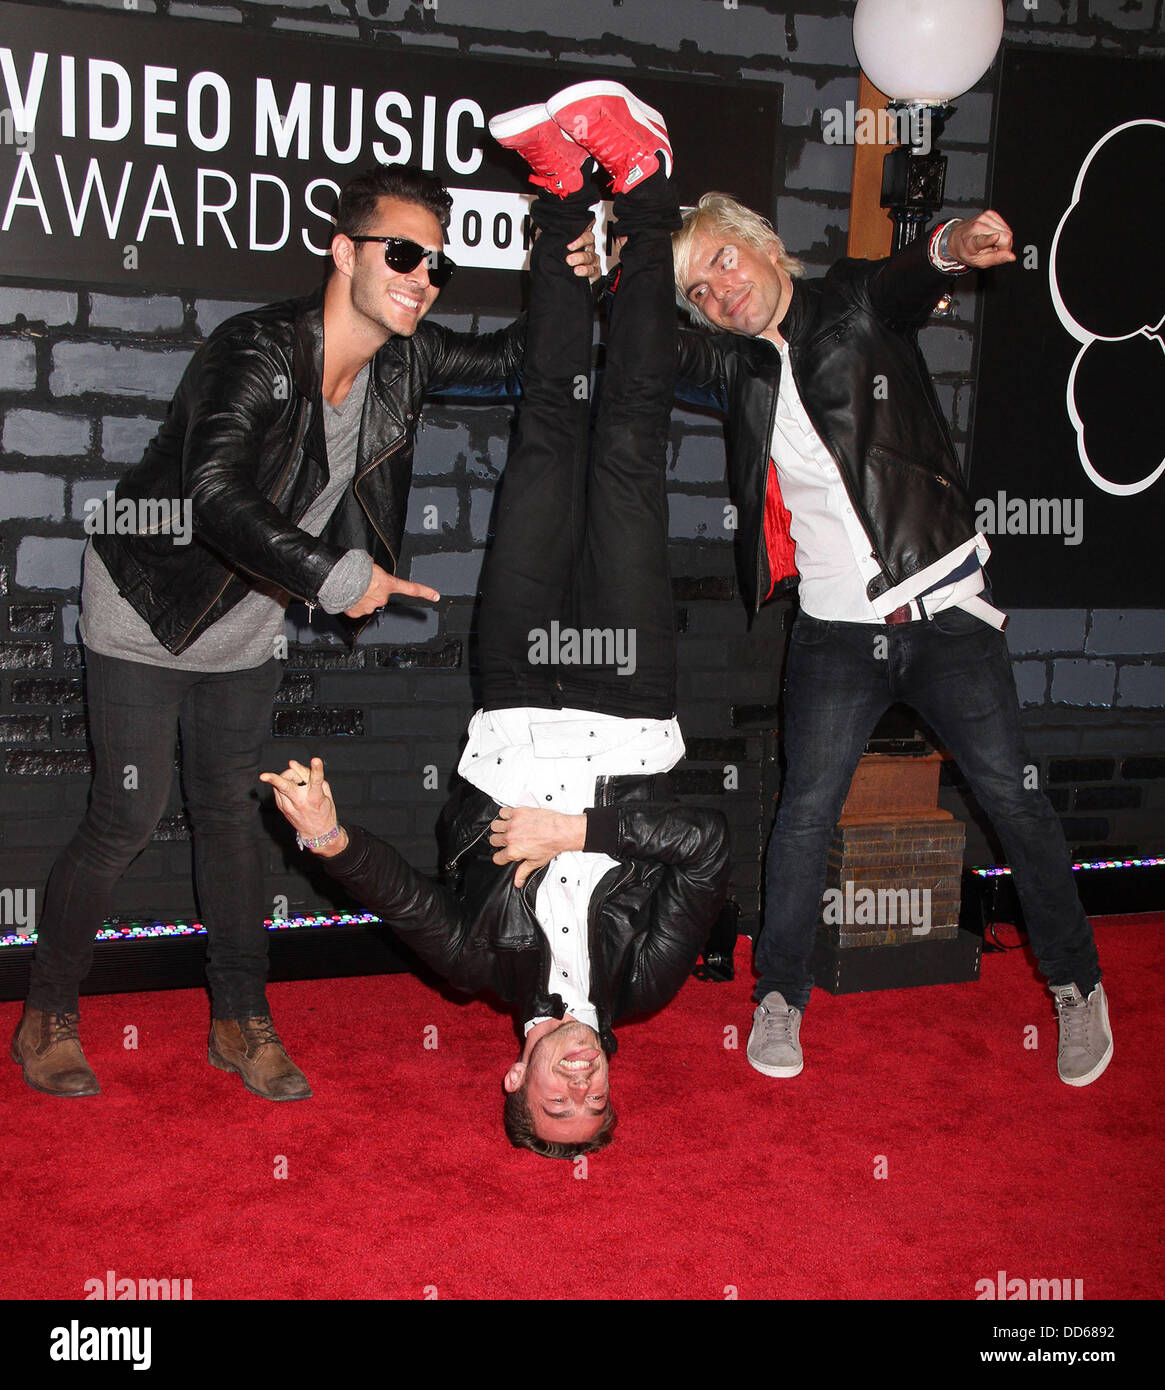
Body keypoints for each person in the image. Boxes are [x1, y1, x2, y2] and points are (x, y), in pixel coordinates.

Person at [12, 163, 598, 1104]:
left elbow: (525, 362)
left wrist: (573, 274)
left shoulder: (404, 358)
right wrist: (335, 575)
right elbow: (212, 495)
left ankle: (240, 1020)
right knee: (125, 813)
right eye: (401, 254)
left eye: (435, 264)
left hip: (247, 615)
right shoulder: (254, 351)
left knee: (231, 820)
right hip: (148, 598)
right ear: (342, 252)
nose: (420, 277)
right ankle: (47, 1012)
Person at [263, 82, 729, 1156]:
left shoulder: (484, 961)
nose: (579, 1081)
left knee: (545, 437)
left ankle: (565, 196)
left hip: (515, 693)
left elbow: (399, 896)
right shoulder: (647, 984)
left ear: (512, 1073)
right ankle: (647, 188)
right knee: (625, 445)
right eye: (596, 1102)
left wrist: (327, 837)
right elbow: (704, 847)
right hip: (625, 699)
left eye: (552, 1101)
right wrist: (582, 832)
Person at [670, 194, 1111, 1088]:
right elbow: (644, 349)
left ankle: (1076, 985)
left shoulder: (848, 302)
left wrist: (954, 242)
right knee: (802, 817)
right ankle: (780, 997)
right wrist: (616, 274)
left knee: (1013, 803)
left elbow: (911, 275)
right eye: (696, 289)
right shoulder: (738, 370)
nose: (718, 292)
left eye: (721, 262)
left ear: (760, 247)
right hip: (835, 630)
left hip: (945, 612)